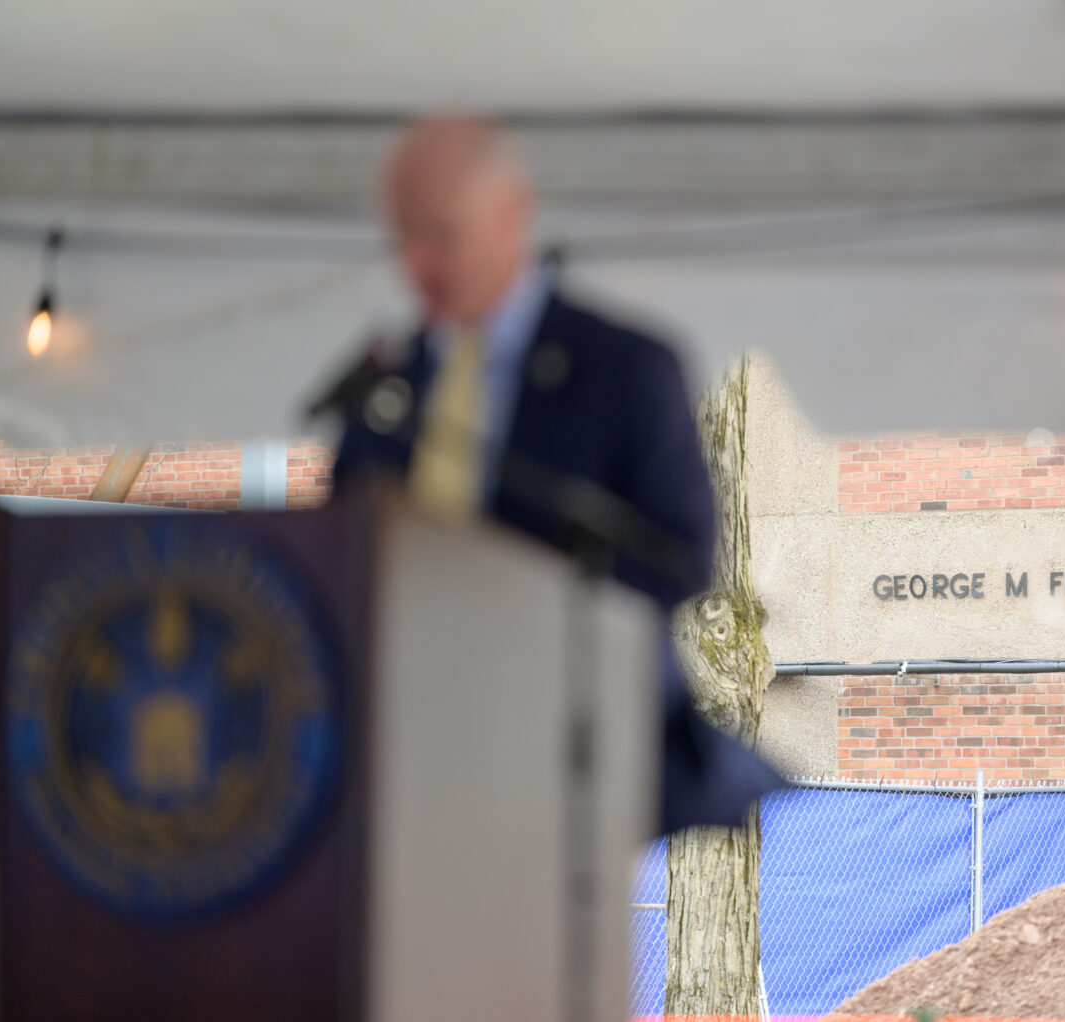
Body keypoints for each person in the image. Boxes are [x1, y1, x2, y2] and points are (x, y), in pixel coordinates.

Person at [329, 116, 779, 833]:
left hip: (571, 754)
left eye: (441, 234)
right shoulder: (385, 392)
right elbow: (339, 557)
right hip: (409, 760)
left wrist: (521, 629)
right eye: (402, 239)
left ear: (513, 216)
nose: (418, 263)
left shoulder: (625, 369)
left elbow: (679, 559)